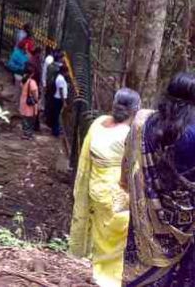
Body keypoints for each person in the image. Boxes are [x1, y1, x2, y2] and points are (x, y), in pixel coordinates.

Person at [122, 72, 195, 286]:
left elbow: (127, 169)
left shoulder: (142, 124)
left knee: (140, 276)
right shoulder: (191, 135)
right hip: (186, 228)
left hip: (146, 217)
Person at [70, 88, 141, 287]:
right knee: (117, 244)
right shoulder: (128, 135)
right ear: (135, 110)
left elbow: (86, 159)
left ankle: (99, 274)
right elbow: (135, 169)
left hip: (95, 189)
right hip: (118, 195)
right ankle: (109, 281)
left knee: (101, 237)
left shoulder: (98, 123)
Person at [48, 63, 69, 137]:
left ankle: (56, 130)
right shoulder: (60, 79)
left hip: (59, 99)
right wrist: (64, 102)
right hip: (59, 99)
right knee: (57, 116)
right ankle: (56, 131)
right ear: (64, 72)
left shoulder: (60, 78)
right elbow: (60, 91)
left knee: (57, 115)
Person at [19, 63, 40, 139]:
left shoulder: (23, 80)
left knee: (24, 118)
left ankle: (25, 133)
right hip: (30, 103)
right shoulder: (32, 82)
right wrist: (36, 100)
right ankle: (28, 134)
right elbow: (34, 92)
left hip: (23, 101)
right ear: (32, 73)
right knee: (30, 119)